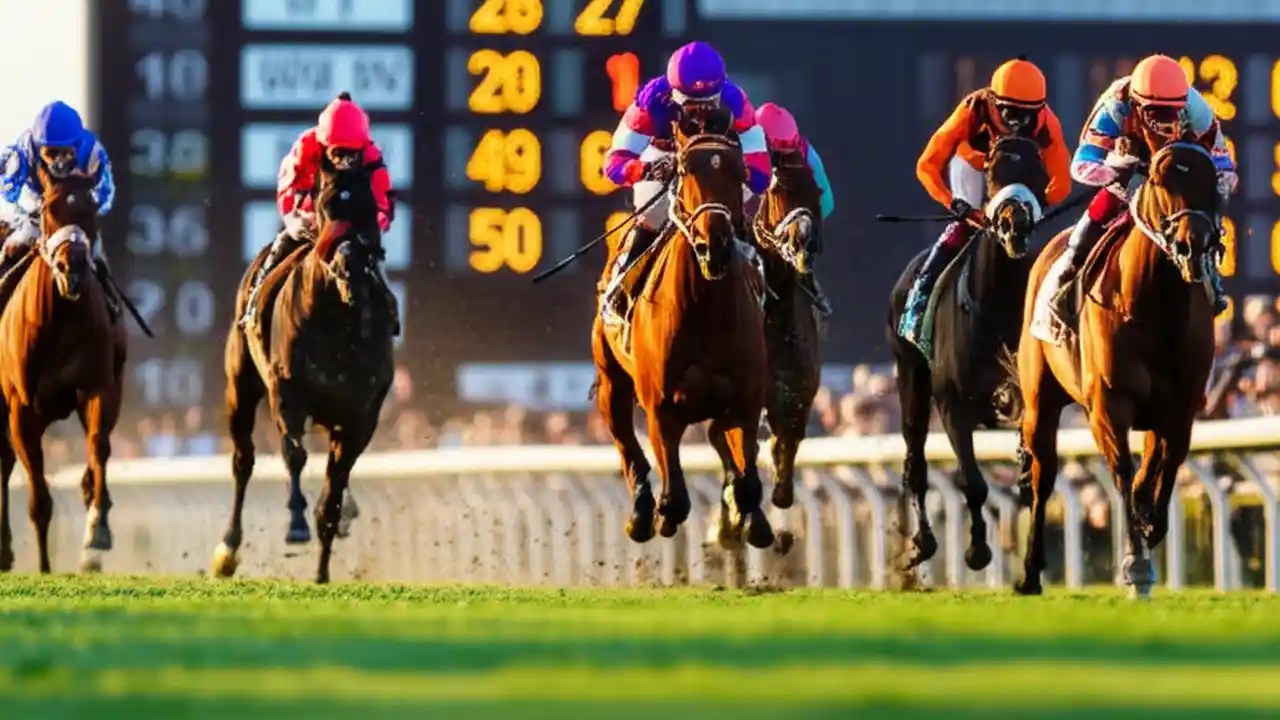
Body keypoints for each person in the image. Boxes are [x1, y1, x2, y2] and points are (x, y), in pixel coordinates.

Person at [1043, 53, 1237, 323]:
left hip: (1174, 171)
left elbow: (1222, 160)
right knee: (1103, 206)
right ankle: (1067, 279)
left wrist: (1223, 177)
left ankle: (1211, 277)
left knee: (1200, 208)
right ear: (1136, 102)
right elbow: (1083, 161)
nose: (1166, 121)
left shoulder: (1197, 108)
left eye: (1173, 113)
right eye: (1155, 113)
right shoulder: (1116, 104)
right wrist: (1110, 173)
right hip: (1131, 164)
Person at [900, 56, 1072, 347]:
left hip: (1016, 174)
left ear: (1040, 109)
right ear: (993, 101)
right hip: (974, 167)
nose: (1017, 123)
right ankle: (918, 302)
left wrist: (1037, 206)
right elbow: (927, 165)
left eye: (1026, 115)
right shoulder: (972, 109)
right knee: (963, 229)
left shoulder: (1047, 123)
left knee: (1030, 231)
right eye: (1009, 113)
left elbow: (1062, 184)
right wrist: (955, 205)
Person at [600, 41, 771, 318]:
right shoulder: (651, 102)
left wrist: (740, 174)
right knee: (652, 218)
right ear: (674, 95)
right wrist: (647, 170)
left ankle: (767, 292)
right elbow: (614, 163)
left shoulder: (736, 103)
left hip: (714, 171)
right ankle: (621, 288)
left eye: (708, 106)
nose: (700, 115)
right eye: (692, 107)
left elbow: (761, 173)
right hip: (664, 164)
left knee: (741, 215)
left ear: (720, 93)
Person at [241, 92, 398, 333]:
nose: (345, 162)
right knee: (281, 245)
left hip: (350, 225)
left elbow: (384, 203)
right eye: (338, 153)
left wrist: (369, 226)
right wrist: (295, 219)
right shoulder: (306, 147)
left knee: (375, 264)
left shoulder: (372, 156)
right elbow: (287, 187)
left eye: (351, 154)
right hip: (310, 219)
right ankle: (254, 304)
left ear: (362, 147)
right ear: (324, 145)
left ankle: (388, 310)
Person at [0, 101, 118, 306]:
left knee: (98, 258)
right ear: (38, 148)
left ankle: (113, 310)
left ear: (77, 146)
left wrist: (87, 204)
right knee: (12, 249)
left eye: (65, 152)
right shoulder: (20, 156)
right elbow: (8, 194)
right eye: (51, 153)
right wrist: (40, 208)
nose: (59, 162)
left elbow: (106, 197)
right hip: (35, 218)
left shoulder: (93, 155)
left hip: (76, 219)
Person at [754, 101, 834, 315]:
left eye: (789, 153)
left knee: (803, 255)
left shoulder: (807, 154)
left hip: (789, 234)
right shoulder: (745, 150)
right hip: (752, 223)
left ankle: (812, 302)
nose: (785, 160)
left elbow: (827, 203)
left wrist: (799, 228)